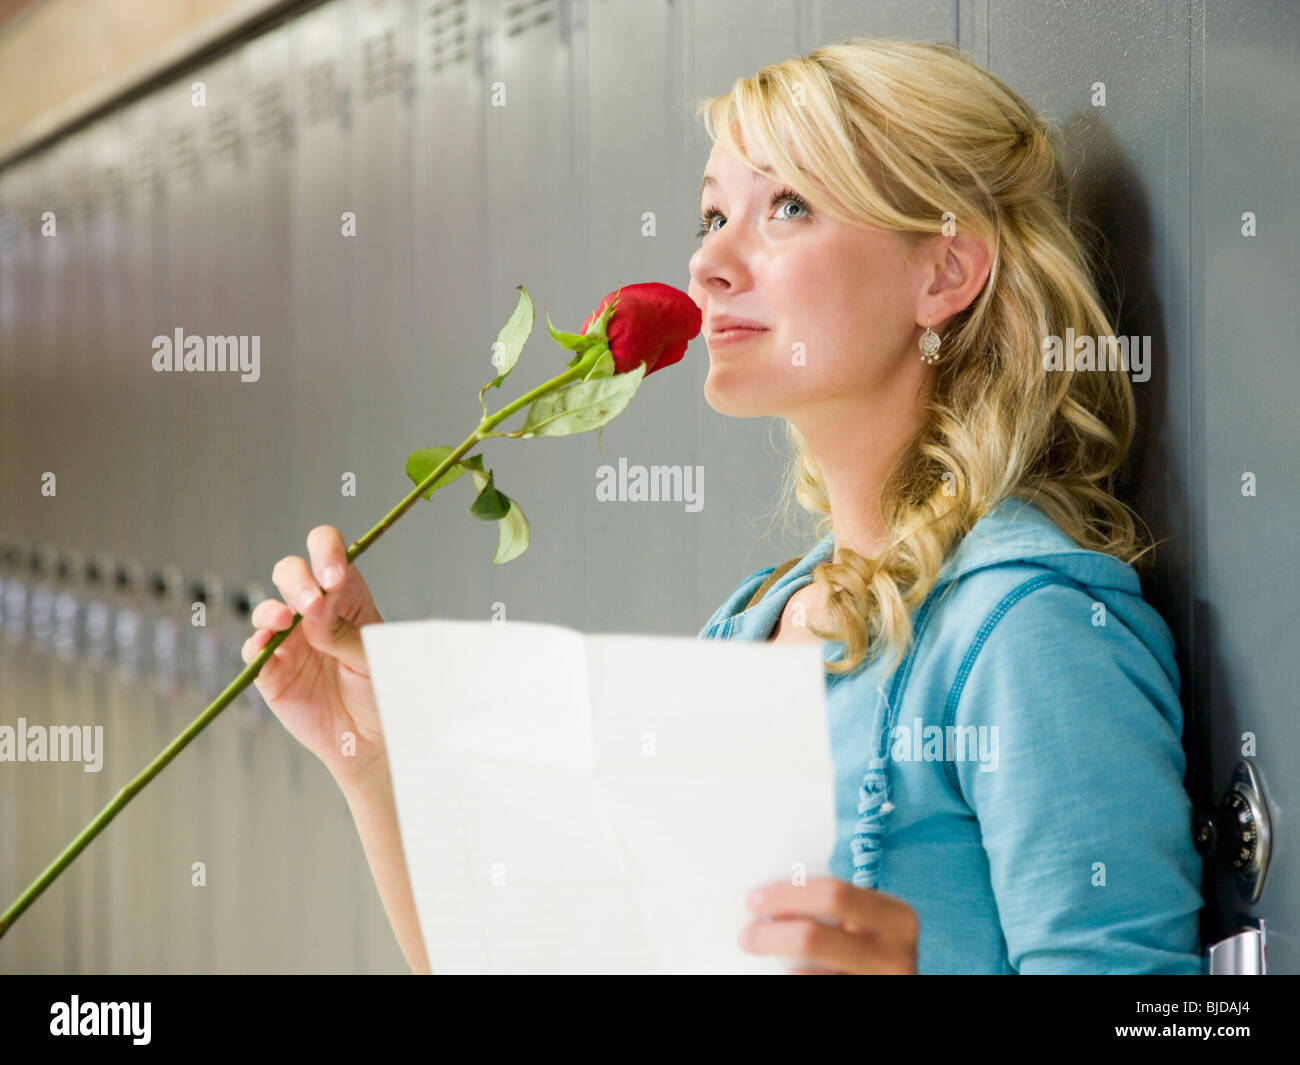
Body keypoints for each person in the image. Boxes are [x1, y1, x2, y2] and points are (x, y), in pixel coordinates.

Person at [244, 37, 1203, 975]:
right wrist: (369, 761)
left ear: (943, 272)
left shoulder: (1032, 629)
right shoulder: (756, 620)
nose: (707, 266)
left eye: (787, 206)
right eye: (711, 216)